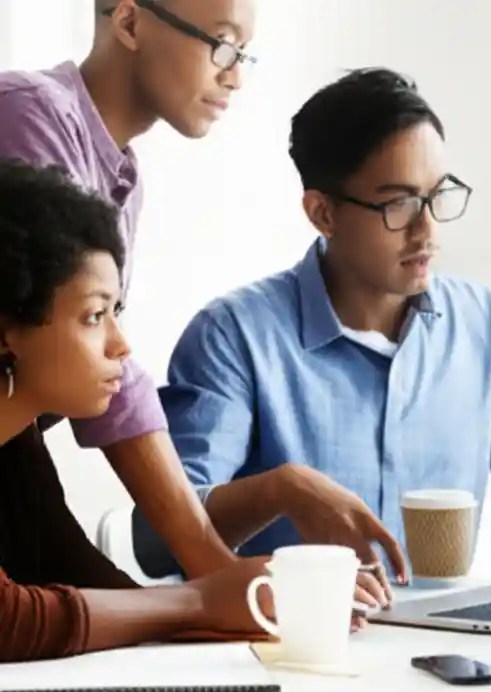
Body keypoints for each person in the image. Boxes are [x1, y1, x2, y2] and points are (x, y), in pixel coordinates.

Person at [0, 0, 401, 598]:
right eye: (222, 43)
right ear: (129, 22)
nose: (235, 75)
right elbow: (94, 368)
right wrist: (214, 572)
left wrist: (216, 584)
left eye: (244, 53)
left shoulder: (121, 175)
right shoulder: (27, 115)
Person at [133, 68, 491, 581]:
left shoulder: (488, 328)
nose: (426, 230)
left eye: (437, 195)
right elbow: (158, 539)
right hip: (289, 630)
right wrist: (280, 490)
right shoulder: (234, 337)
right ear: (323, 214)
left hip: (445, 626)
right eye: (398, 204)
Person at [0, 158, 271, 662]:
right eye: (94, 316)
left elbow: (73, 571)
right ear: (6, 330)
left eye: (116, 312)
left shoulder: (15, 443)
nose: (120, 345)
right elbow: (10, 621)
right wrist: (201, 601)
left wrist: (225, 609)